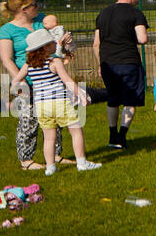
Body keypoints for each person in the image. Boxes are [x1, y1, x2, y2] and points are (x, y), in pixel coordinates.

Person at [0, 0, 69, 169]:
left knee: (55, 116)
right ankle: (26, 160)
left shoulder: (42, 21)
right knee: (29, 119)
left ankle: (56, 154)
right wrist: (20, 81)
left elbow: (54, 43)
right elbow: (7, 59)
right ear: (24, 10)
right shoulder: (6, 31)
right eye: (34, 5)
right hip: (27, 79)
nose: (38, 8)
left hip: (50, 78)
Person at [16, 29, 99, 175]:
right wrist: (80, 94)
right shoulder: (54, 61)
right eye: (53, 42)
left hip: (41, 105)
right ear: (46, 47)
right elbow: (67, 80)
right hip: (59, 102)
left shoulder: (28, 65)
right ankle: (82, 163)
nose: (56, 43)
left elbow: (16, 80)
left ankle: (50, 168)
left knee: (48, 137)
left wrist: (20, 90)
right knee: (76, 130)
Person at [93, 0, 149, 150]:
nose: (137, 1)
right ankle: (122, 136)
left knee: (113, 99)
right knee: (130, 100)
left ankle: (112, 134)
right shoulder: (135, 13)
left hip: (108, 63)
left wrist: (100, 64)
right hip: (128, 61)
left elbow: (96, 44)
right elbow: (142, 39)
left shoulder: (103, 13)